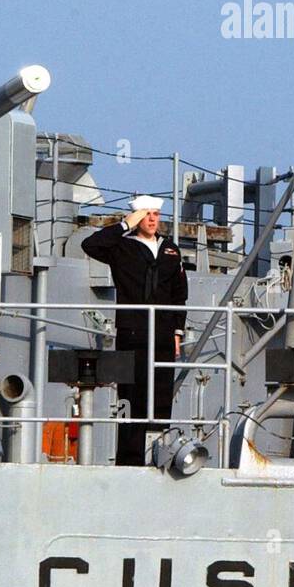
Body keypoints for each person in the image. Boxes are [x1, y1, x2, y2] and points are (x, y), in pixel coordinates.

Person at [81, 194, 187, 466]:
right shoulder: (122, 248)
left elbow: (179, 294)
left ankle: (159, 453)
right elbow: (90, 244)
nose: (152, 220)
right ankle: (130, 459)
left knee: (161, 393)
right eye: (146, 215)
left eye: (155, 214)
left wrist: (177, 332)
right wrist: (124, 225)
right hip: (133, 331)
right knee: (131, 395)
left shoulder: (170, 250)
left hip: (163, 331)